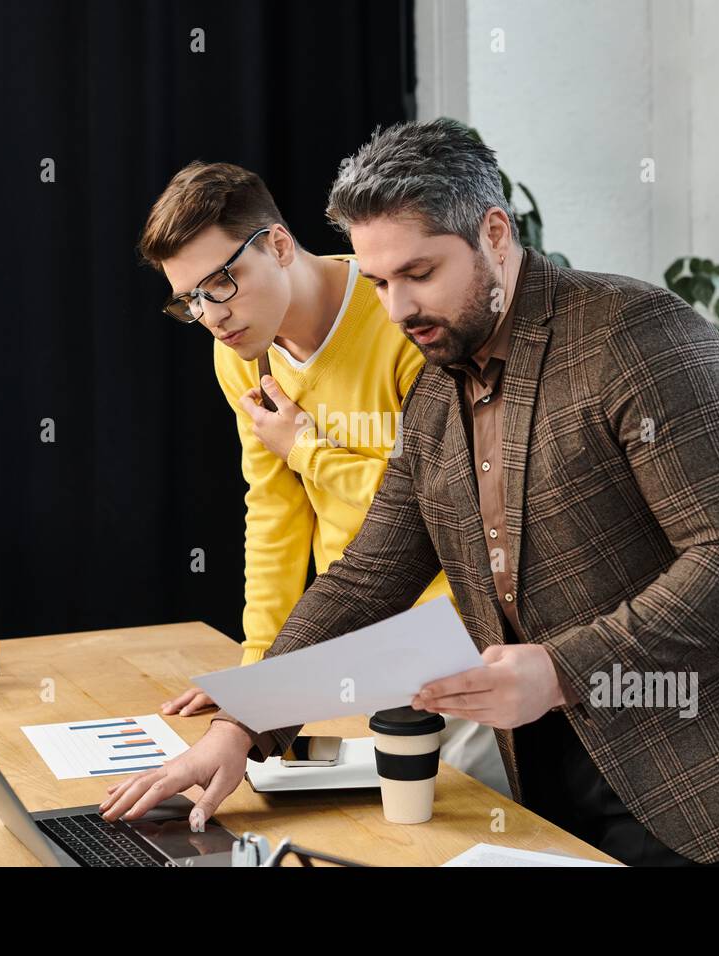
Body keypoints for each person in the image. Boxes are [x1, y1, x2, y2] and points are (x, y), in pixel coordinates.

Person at [106, 121, 719, 866]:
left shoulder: (641, 336)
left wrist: (564, 669)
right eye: (378, 283)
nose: (397, 310)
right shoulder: (437, 388)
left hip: (696, 758)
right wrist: (242, 723)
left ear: (494, 233)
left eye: (419, 273)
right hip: (546, 761)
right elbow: (368, 577)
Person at [136, 160, 510, 796]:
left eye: (220, 284)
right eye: (190, 299)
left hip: (457, 635)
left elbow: (446, 507)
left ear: (279, 244)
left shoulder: (406, 318)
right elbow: (274, 515)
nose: (211, 316)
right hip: (347, 634)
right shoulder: (239, 355)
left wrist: (307, 449)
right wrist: (255, 683)